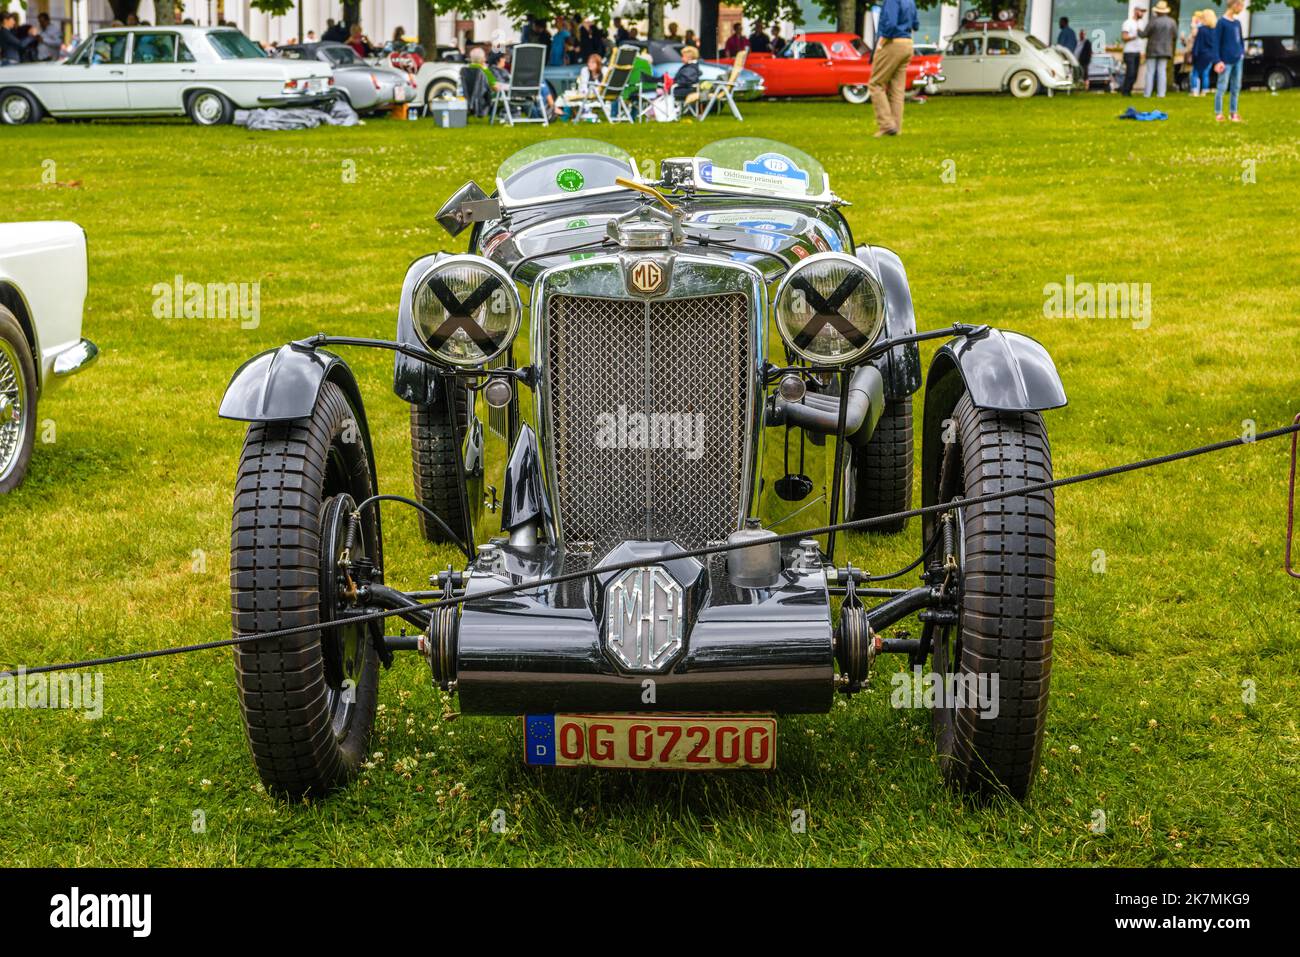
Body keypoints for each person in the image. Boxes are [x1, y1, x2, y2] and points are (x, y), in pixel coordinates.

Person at [867, 0, 917, 137]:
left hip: (893, 42)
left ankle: (886, 125)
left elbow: (890, 24)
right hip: (907, 43)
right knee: (897, 89)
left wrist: (882, 42)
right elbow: (916, 24)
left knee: (876, 84)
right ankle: (896, 127)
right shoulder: (910, 1)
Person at [1213, 0, 1245, 122]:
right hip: (1225, 61)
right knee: (1222, 87)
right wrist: (1217, 60)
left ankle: (1234, 112)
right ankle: (1219, 113)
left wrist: (1241, 52)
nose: (1241, 9)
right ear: (1234, 5)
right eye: (1241, 6)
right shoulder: (1221, 23)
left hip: (1238, 60)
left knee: (1236, 87)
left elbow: (1240, 40)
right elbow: (1215, 43)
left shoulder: (1237, 23)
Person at [1140, 1, 1176, 97]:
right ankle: (1161, 93)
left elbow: (1144, 34)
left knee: (1150, 71)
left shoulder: (1153, 21)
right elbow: (1175, 35)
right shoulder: (1172, 22)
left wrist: (1138, 30)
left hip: (1152, 49)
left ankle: (1147, 93)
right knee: (1162, 71)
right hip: (1166, 50)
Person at [1189, 10, 1218, 97]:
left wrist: (1194, 54)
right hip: (1210, 55)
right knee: (1206, 74)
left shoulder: (1201, 30)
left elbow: (1198, 44)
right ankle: (1204, 91)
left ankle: (1194, 91)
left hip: (1201, 54)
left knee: (1195, 73)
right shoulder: (1215, 30)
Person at [1120, 5, 1146, 96]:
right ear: (1136, 11)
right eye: (1141, 11)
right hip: (1129, 52)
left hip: (1137, 52)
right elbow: (1124, 37)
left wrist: (1142, 52)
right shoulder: (1128, 23)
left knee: (1135, 74)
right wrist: (1133, 37)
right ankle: (1125, 91)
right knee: (1130, 73)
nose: (1142, 14)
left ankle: (1128, 90)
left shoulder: (1141, 24)